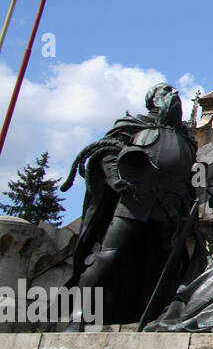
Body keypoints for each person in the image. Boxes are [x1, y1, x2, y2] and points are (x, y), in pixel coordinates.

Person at [62, 83, 197, 326]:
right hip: (136, 200)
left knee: (167, 265)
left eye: (175, 92)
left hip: (171, 207)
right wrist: (116, 178)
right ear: (153, 101)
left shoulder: (186, 138)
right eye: (166, 92)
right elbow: (105, 153)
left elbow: (194, 175)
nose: (174, 94)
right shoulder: (135, 125)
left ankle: (161, 317)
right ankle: (79, 316)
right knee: (109, 256)